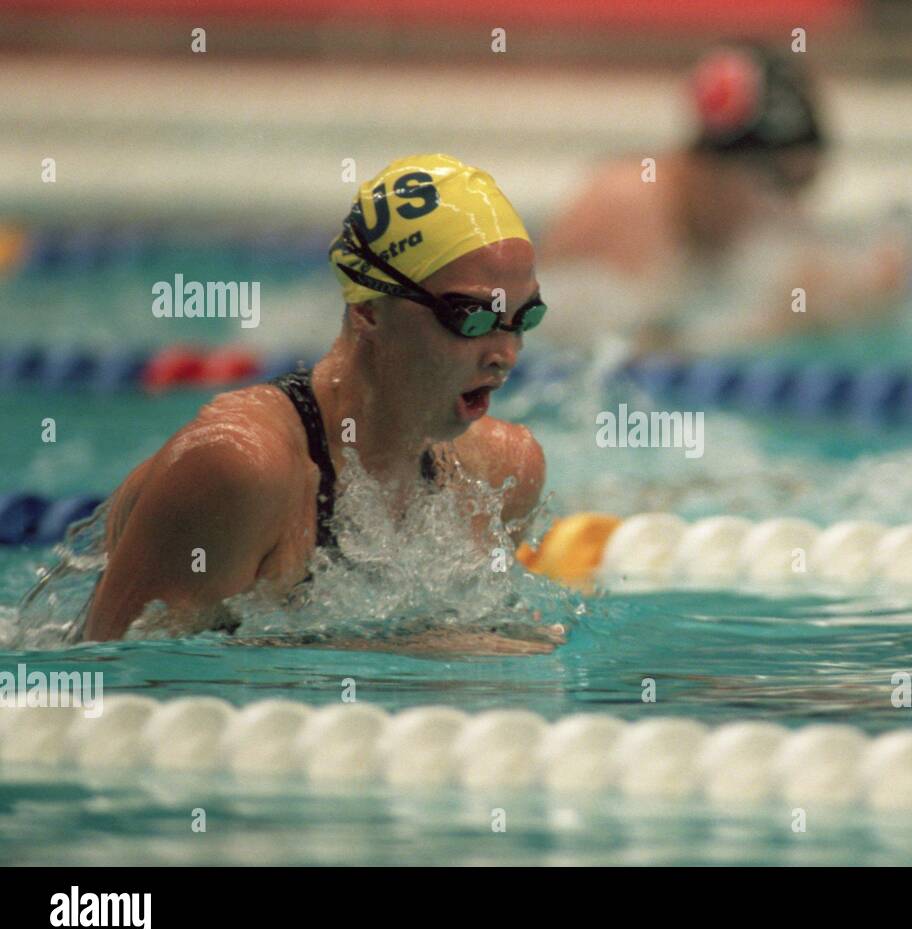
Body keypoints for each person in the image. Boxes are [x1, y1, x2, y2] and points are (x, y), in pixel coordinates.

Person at [62, 155, 553, 647]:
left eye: (524, 317)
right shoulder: (240, 469)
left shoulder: (504, 471)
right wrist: (409, 651)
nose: (505, 354)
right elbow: (116, 681)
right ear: (368, 311)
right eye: (470, 317)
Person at [540, 43, 912, 354]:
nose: (787, 211)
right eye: (781, 189)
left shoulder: (716, 218)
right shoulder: (629, 203)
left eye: (800, 190)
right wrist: (772, 323)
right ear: (717, 165)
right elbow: (629, 354)